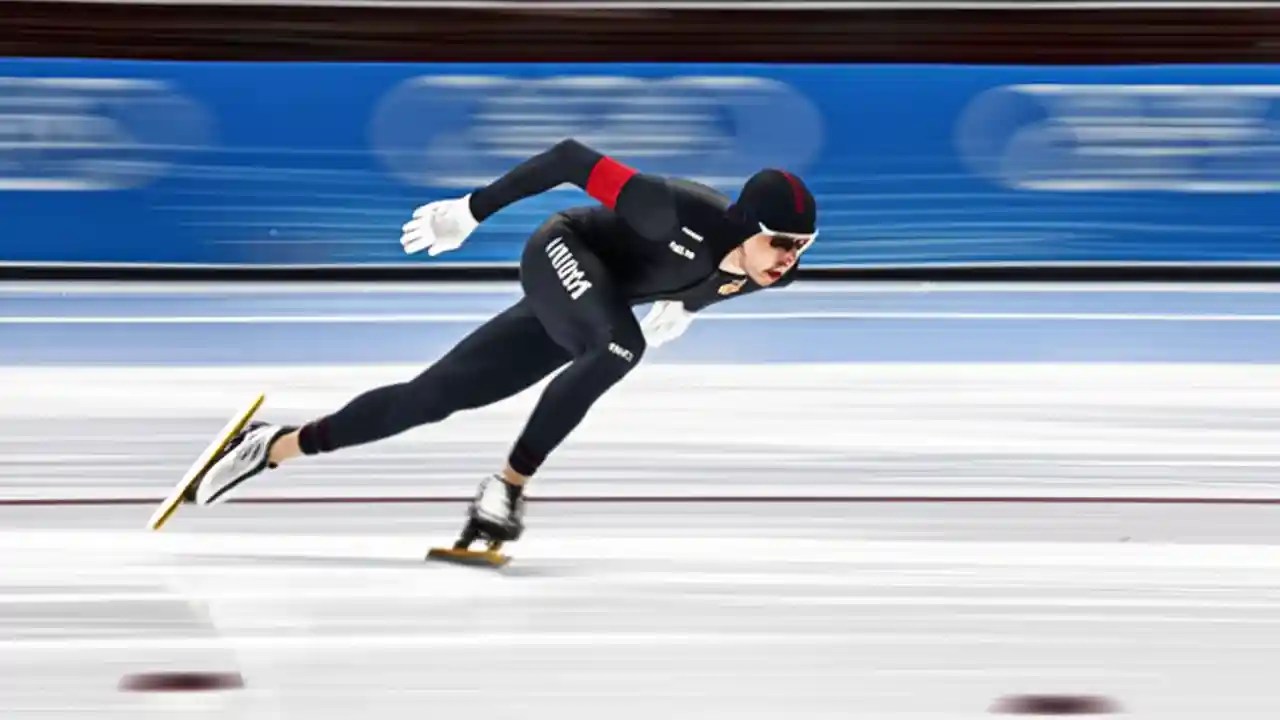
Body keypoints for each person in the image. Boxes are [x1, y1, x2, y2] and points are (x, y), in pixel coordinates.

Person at [189, 138, 819, 549]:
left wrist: (687, 304)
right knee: (620, 348)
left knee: (429, 398)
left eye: (802, 249)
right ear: (744, 225)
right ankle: (508, 487)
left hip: (593, 302)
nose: (789, 261)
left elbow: (707, 288)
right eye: (781, 243)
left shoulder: (762, 275)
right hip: (565, 250)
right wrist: (471, 209)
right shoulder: (670, 211)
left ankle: (271, 446)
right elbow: (572, 158)